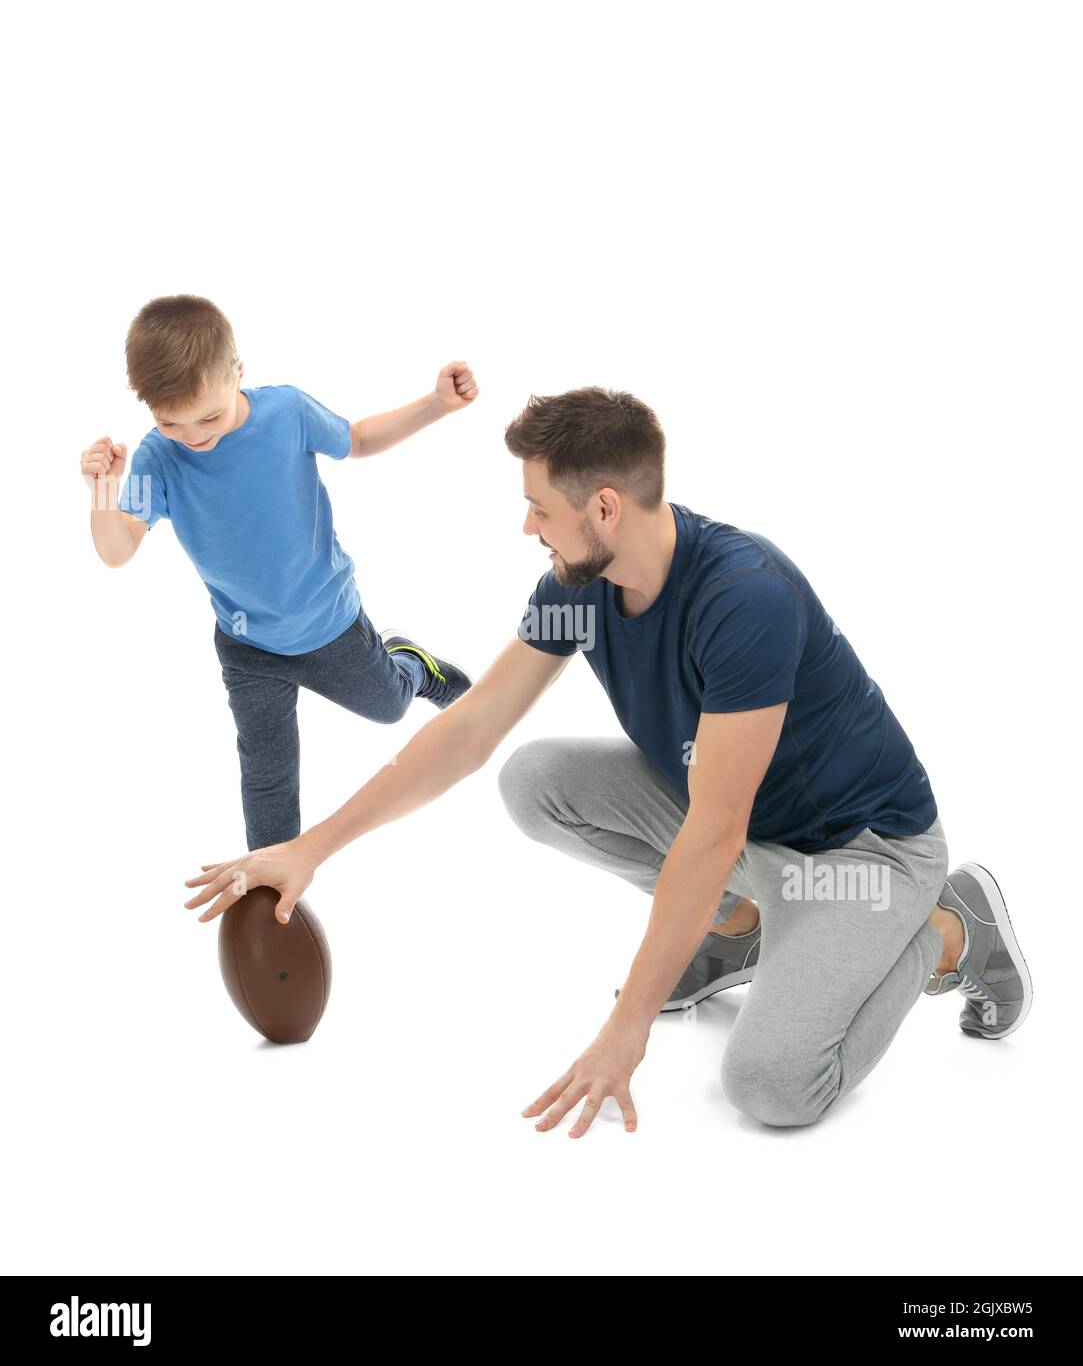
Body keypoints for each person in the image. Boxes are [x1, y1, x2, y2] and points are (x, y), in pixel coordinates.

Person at [182, 385, 1033, 1135]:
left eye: (539, 508)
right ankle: (736, 929)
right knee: (534, 781)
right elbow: (474, 728)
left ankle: (949, 928)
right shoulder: (576, 593)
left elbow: (713, 828)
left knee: (770, 1086)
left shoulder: (745, 602)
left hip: (860, 856)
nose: (525, 526)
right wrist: (312, 847)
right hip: (750, 844)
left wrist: (626, 1022)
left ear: (604, 508)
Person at [82, 294, 476, 851]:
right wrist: (102, 490)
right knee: (266, 775)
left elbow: (358, 439)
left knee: (389, 708)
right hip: (246, 645)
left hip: (328, 625)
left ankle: (408, 660)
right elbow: (118, 548)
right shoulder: (155, 459)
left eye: (209, 416)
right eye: (170, 421)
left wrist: (435, 404)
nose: (193, 435)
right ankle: (271, 890)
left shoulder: (287, 414)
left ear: (237, 373)